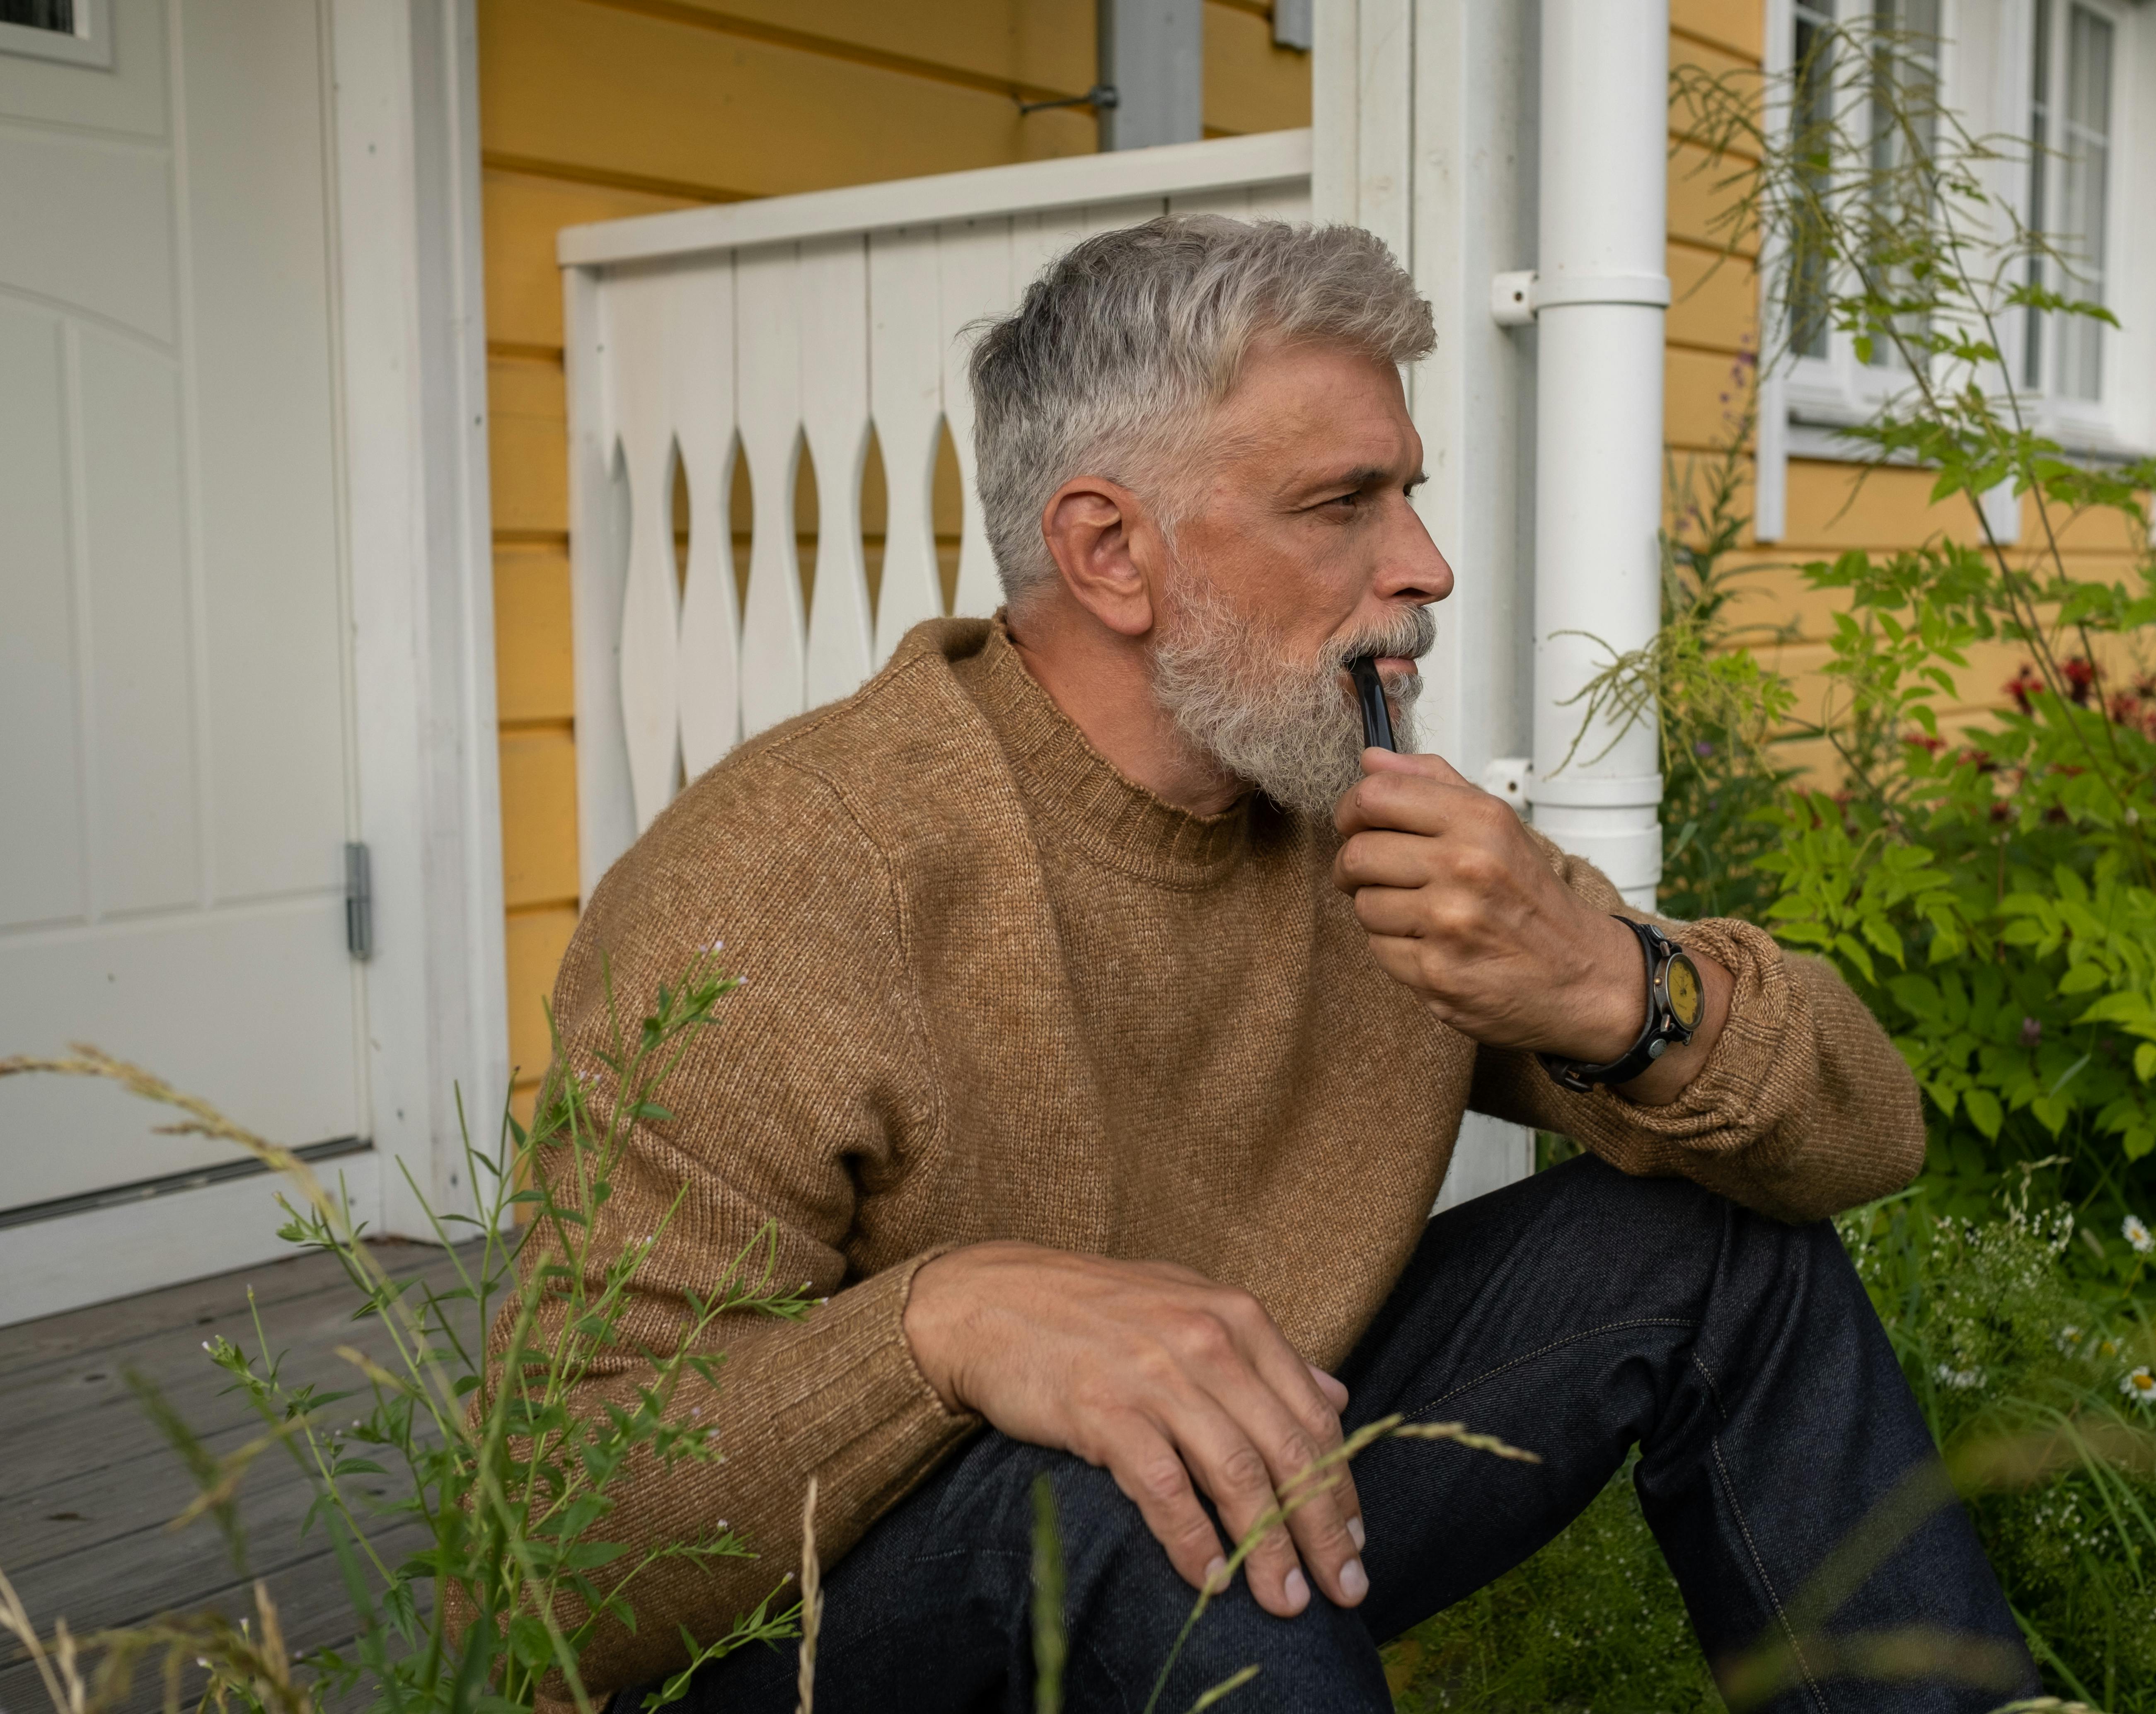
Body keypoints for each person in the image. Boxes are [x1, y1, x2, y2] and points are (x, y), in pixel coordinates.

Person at [538, 215, 2039, 1712]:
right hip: (826, 1643)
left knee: (1716, 1250)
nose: (1429, 565)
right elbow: (561, 1550)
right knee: (1140, 1477)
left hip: (1259, 1486)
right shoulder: (792, 876)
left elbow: (1866, 1134)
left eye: (1411, 493)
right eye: (1344, 504)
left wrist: (1609, 987)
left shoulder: (1360, 815)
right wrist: (949, 1321)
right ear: (1111, 551)